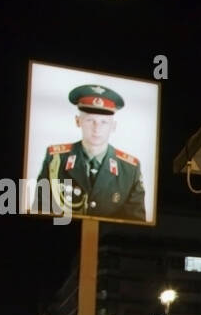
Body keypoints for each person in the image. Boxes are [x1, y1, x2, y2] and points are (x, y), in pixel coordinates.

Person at [37, 84, 146, 221]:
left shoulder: (130, 169)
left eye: (104, 122)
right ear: (78, 121)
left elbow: (136, 224)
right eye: (90, 120)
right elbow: (40, 213)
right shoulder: (56, 159)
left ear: (113, 126)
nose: (97, 128)